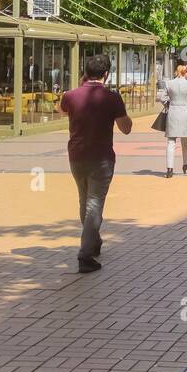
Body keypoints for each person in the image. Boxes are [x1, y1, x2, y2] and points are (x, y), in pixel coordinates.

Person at [61, 52, 133, 273]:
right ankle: (85, 255)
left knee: (85, 201)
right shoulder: (111, 98)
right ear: (107, 74)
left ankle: (93, 241)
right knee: (94, 204)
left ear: (85, 73)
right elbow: (126, 128)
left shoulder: (70, 95)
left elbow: (62, 110)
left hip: (76, 155)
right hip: (101, 157)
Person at [157, 62, 187, 176]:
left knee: (171, 141)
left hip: (173, 112)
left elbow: (162, 98)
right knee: (185, 141)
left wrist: (168, 104)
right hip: (185, 113)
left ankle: (169, 168)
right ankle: (185, 164)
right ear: (185, 73)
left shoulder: (169, 83)